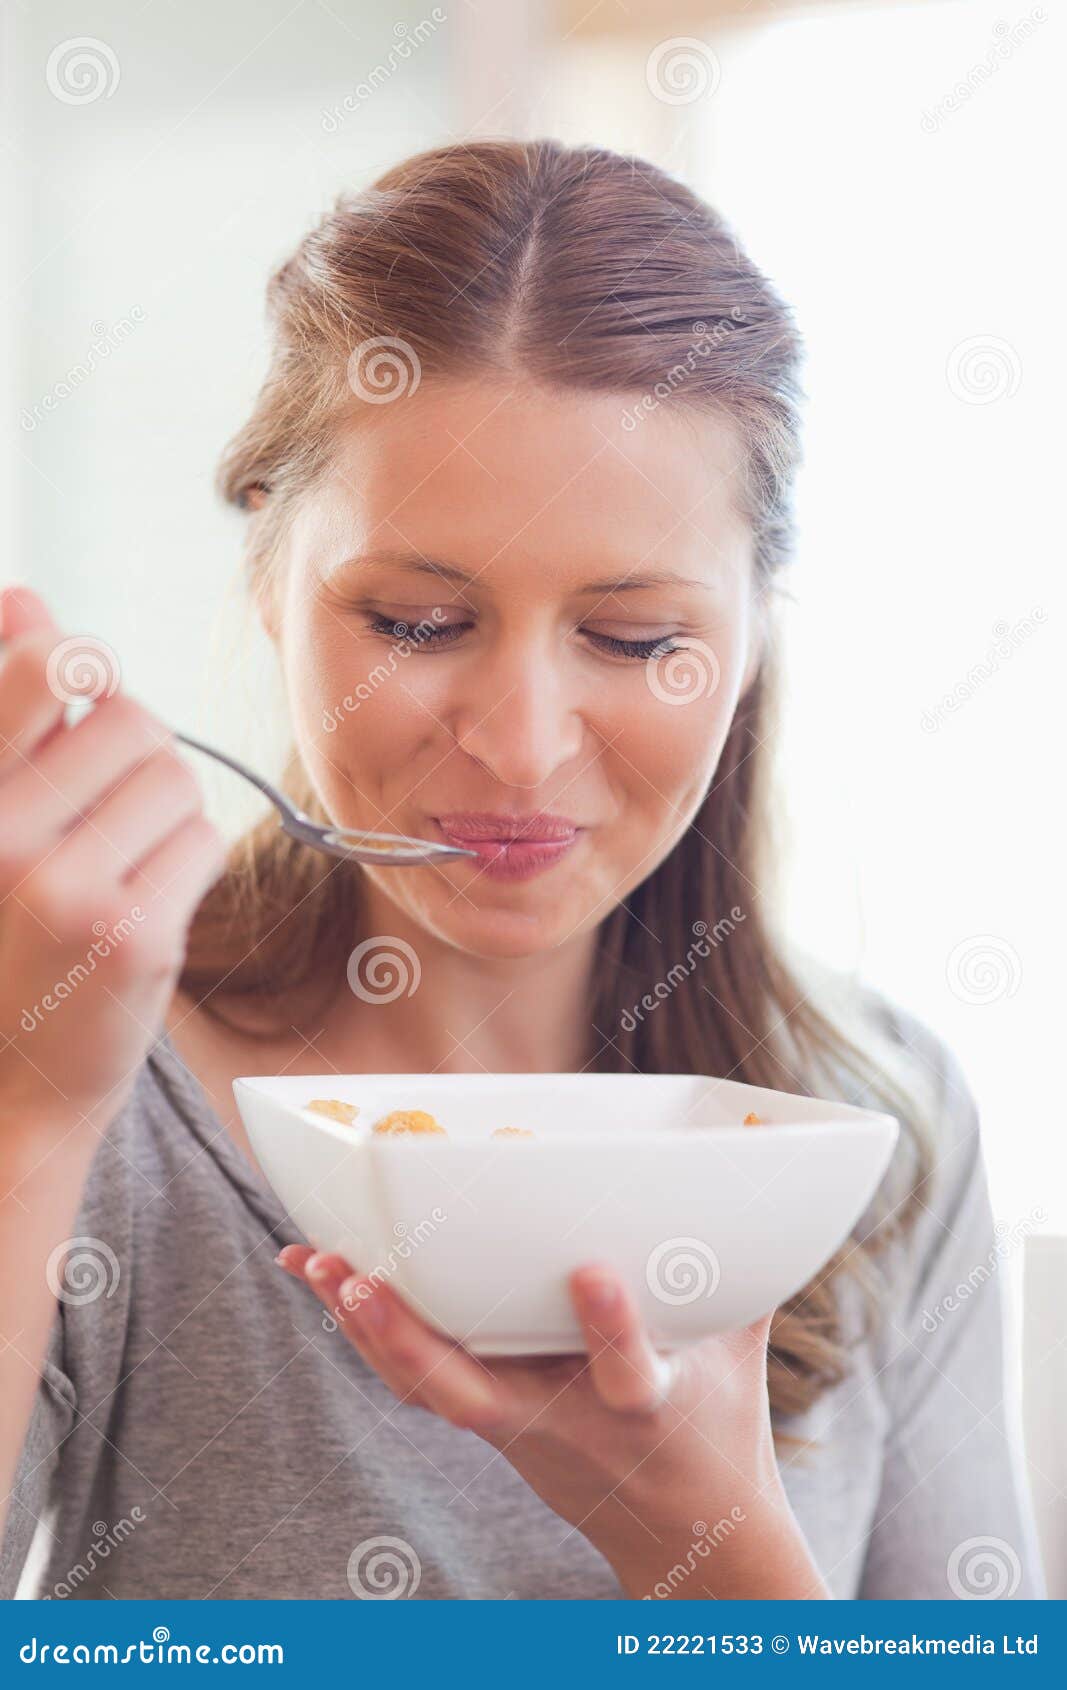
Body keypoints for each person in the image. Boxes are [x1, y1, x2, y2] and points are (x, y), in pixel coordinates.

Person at [0, 139, 1044, 1601]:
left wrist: (712, 1545)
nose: (522, 747)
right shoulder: (90, 1082)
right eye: (420, 620)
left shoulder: (886, 1122)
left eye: (629, 639)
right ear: (266, 581)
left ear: (753, 630)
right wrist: (30, 1112)